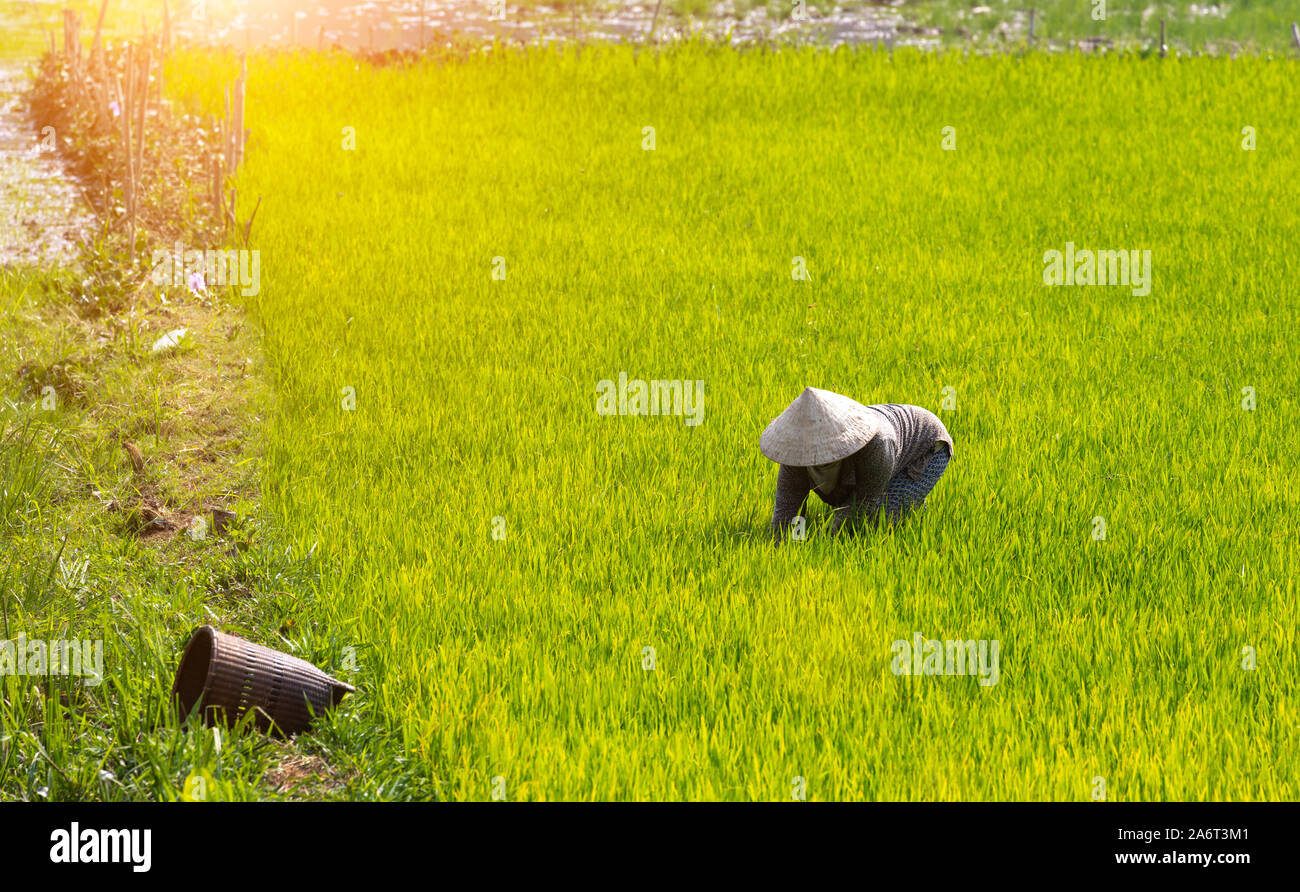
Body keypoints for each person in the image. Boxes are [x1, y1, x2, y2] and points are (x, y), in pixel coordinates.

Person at [760, 387, 953, 542]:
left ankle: (910, 500)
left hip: (925, 445)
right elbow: (787, 512)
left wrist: (823, 540)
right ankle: (909, 499)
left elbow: (863, 502)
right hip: (888, 457)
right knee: (850, 510)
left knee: (873, 526)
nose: (816, 457)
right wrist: (792, 543)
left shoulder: (876, 444)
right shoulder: (795, 455)